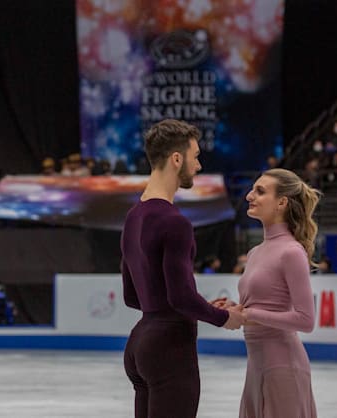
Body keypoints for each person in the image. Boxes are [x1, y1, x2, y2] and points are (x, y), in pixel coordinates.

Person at [120, 119, 243, 418]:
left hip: (139, 344)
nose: (198, 166)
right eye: (195, 156)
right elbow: (180, 297)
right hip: (169, 350)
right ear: (177, 159)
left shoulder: (133, 217)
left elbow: (132, 297)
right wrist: (224, 317)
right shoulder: (175, 222)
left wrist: (190, 308)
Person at [228, 168, 320, 417]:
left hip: (283, 368)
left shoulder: (291, 252)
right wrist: (233, 309)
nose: (249, 196)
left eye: (260, 191)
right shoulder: (255, 252)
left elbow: (305, 320)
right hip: (255, 367)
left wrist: (251, 314)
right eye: (252, 189)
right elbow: (257, 306)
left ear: (282, 202)